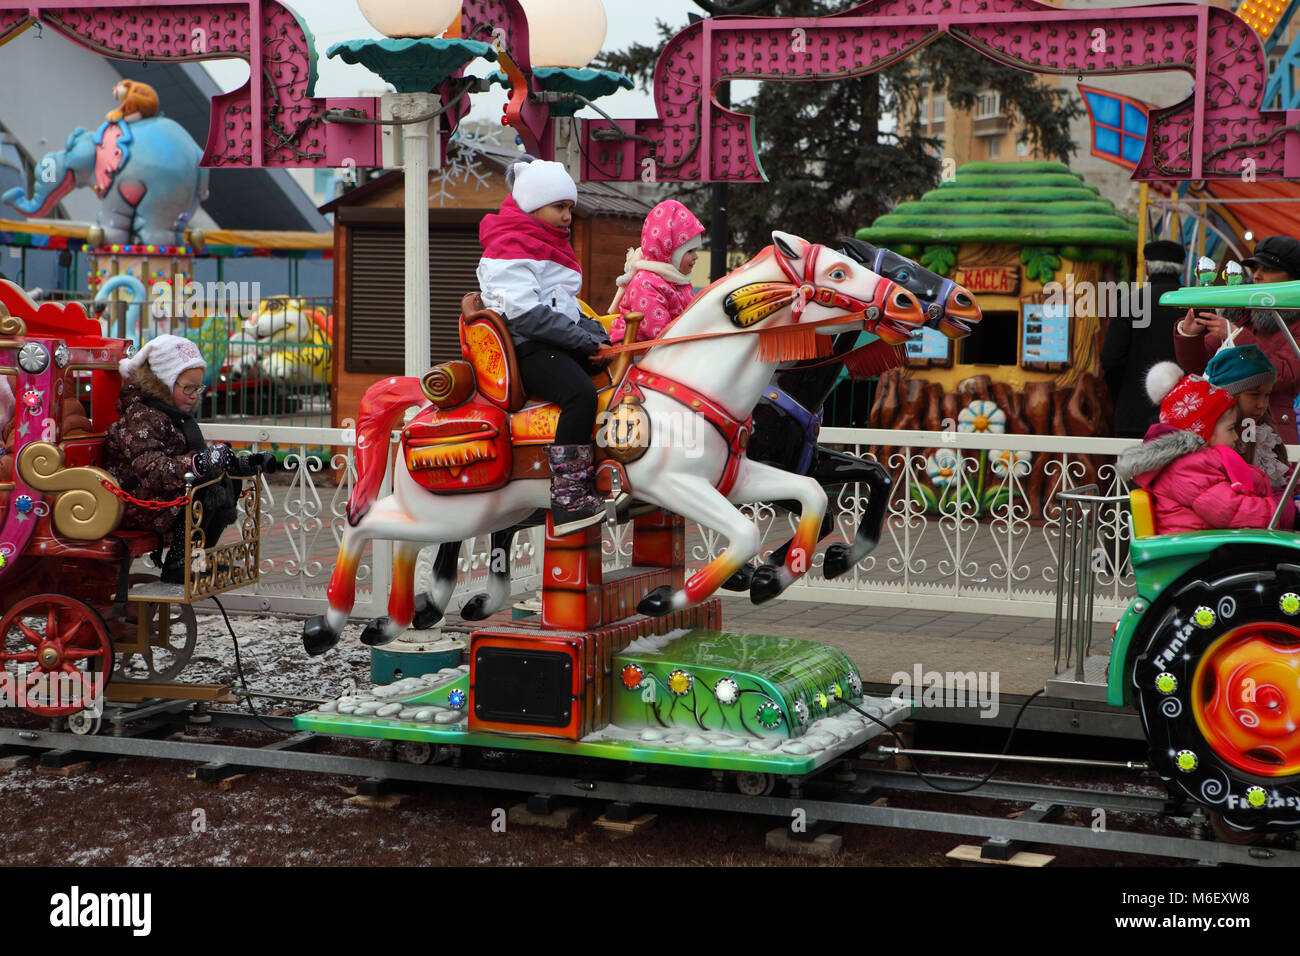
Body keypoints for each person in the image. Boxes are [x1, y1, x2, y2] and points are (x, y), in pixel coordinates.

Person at [477, 159, 613, 535]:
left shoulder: (543, 244)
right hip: (527, 346)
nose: (568, 216)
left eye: (570, 207)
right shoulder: (510, 246)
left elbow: (563, 305)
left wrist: (594, 333)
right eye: (559, 207)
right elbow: (527, 315)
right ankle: (568, 494)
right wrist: (581, 340)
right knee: (580, 394)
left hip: (547, 338)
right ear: (532, 207)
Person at [106, 334, 273, 582]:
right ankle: (180, 564)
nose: (195, 395)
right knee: (204, 486)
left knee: (222, 482)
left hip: (161, 495)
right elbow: (151, 469)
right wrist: (200, 463)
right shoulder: (141, 415)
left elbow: (194, 458)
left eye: (198, 388)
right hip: (135, 501)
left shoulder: (171, 413)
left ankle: (198, 558)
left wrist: (237, 465)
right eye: (188, 388)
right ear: (162, 383)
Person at [1117, 363, 1290, 533]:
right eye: (1230, 429)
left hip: (1206, 543)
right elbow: (1230, 510)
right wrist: (1283, 512)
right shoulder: (1189, 467)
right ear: (1203, 434)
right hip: (1194, 552)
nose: (1236, 437)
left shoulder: (1197, 463)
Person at [1174, 234, 1300, 443]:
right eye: (1256, 269)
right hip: (1226, 429)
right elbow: (1200, 366)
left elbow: (1285, 374)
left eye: (1267, 270)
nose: (1257, 276)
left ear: (1293, 278)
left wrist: (1238, 337)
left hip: (1273, 430)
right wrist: (1189, 334)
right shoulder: (1242, 315)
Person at [1102, 240, 1187, 438]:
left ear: (1147, 266)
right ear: (1183, 266)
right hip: (1186, 416)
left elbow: (1111, 360)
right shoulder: (1195, 304)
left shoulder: (1130, 303)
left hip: (1135, 417)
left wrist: (1123, 395)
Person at [608, 199, 705, 344]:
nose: (695, 256)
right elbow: (658, 332)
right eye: (689, 251)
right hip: (633, 351)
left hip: (664, 349)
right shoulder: (645, 283)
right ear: (668, 253)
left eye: (696, 250)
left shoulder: (679, 281)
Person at [1204, 342, 1290, 491]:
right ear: (1231, 395)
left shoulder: (1264, 433)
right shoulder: (1217, 441)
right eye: (1254, 395)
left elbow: (1280, 476)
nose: (1262, 404)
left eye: (1267, 395)